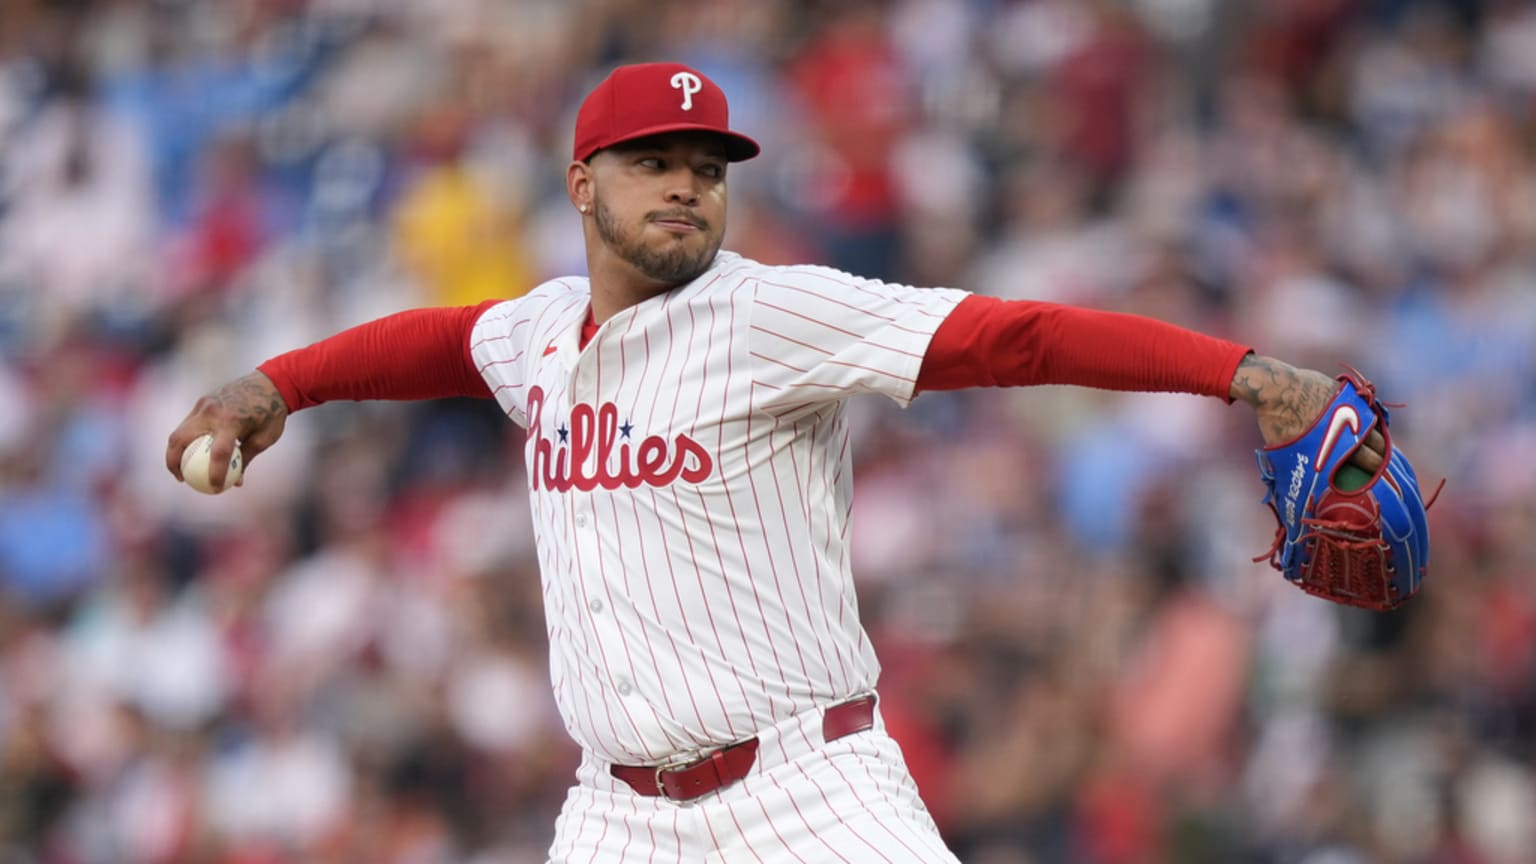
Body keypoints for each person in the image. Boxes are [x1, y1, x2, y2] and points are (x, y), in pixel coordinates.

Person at [166, 62, 1386, 863]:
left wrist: (1250, 374)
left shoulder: (772, 315)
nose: (688, 188)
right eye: (656, 165)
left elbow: (1015, 336)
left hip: (808, 795)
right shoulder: (536, 333)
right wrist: (277, 384)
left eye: (706, 169)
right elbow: (434, 340)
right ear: (583, 184)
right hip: (616, 815)